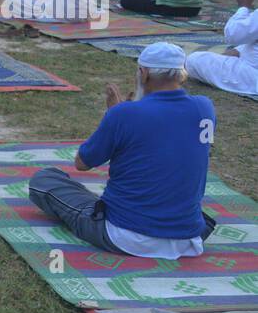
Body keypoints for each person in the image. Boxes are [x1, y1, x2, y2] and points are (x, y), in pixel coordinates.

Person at [28, 42, 216, 258]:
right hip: (188, 236)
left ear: (144, 74)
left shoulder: (124, 114)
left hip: (126, 236)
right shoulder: (205, 107)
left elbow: (82, 163)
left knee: (45, 179)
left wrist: (112, 116)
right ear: (181, 75)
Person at [185, 0, 258, 97]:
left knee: (194, 60)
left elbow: (233, 35)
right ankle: (236, 54)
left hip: (252, 76)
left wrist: (243, 6)